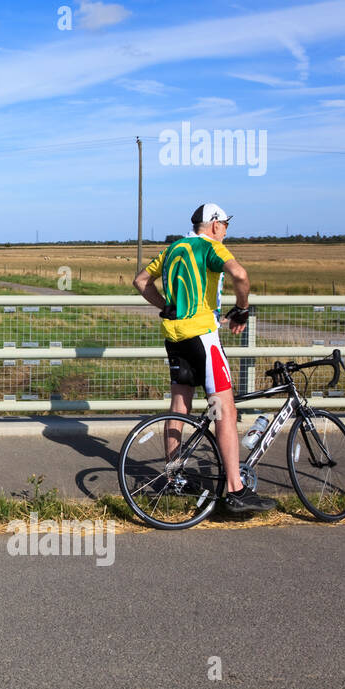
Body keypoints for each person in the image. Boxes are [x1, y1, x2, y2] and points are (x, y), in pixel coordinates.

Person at [132, 204, 277, 513]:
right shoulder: (211, 247)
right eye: (224, 224)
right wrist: (242, 308)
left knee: (180, 404)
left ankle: (173, 476)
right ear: (212, 224)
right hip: (202, 336)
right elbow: (240, 274)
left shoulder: (175, 248)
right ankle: (236, 489)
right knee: (224, 407)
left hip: (175, 335)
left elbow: (141, 280)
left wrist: (165, 305)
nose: (226, 230)